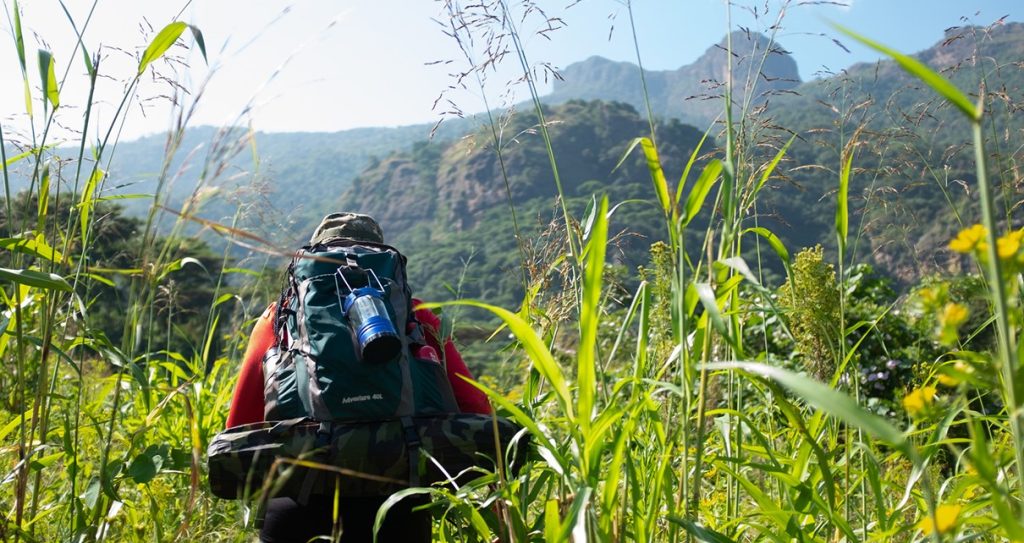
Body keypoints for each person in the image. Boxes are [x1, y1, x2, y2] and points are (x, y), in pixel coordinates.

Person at [227, 212, 491, 543]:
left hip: (296, 504)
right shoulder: (416, 315)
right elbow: (475, 406)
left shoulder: (278, 319)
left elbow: (238, 425)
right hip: (398, 509)